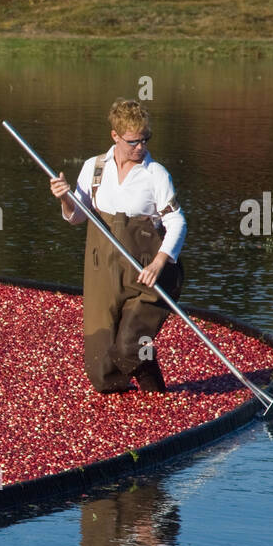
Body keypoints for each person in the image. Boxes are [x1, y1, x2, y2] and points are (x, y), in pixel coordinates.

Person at [50, 99, 186, 393]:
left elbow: (177, 223)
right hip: (104, 273)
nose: (141, 147)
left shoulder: (155, 174)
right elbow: (76, 216)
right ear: (115, 136)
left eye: (145, 138)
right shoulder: (94, 169)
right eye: (133, 141)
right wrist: (65, 197)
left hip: (148, 274)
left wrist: (159, 262)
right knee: (101, 371)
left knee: (128, 346)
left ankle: (157, 398)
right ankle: (129, 399)